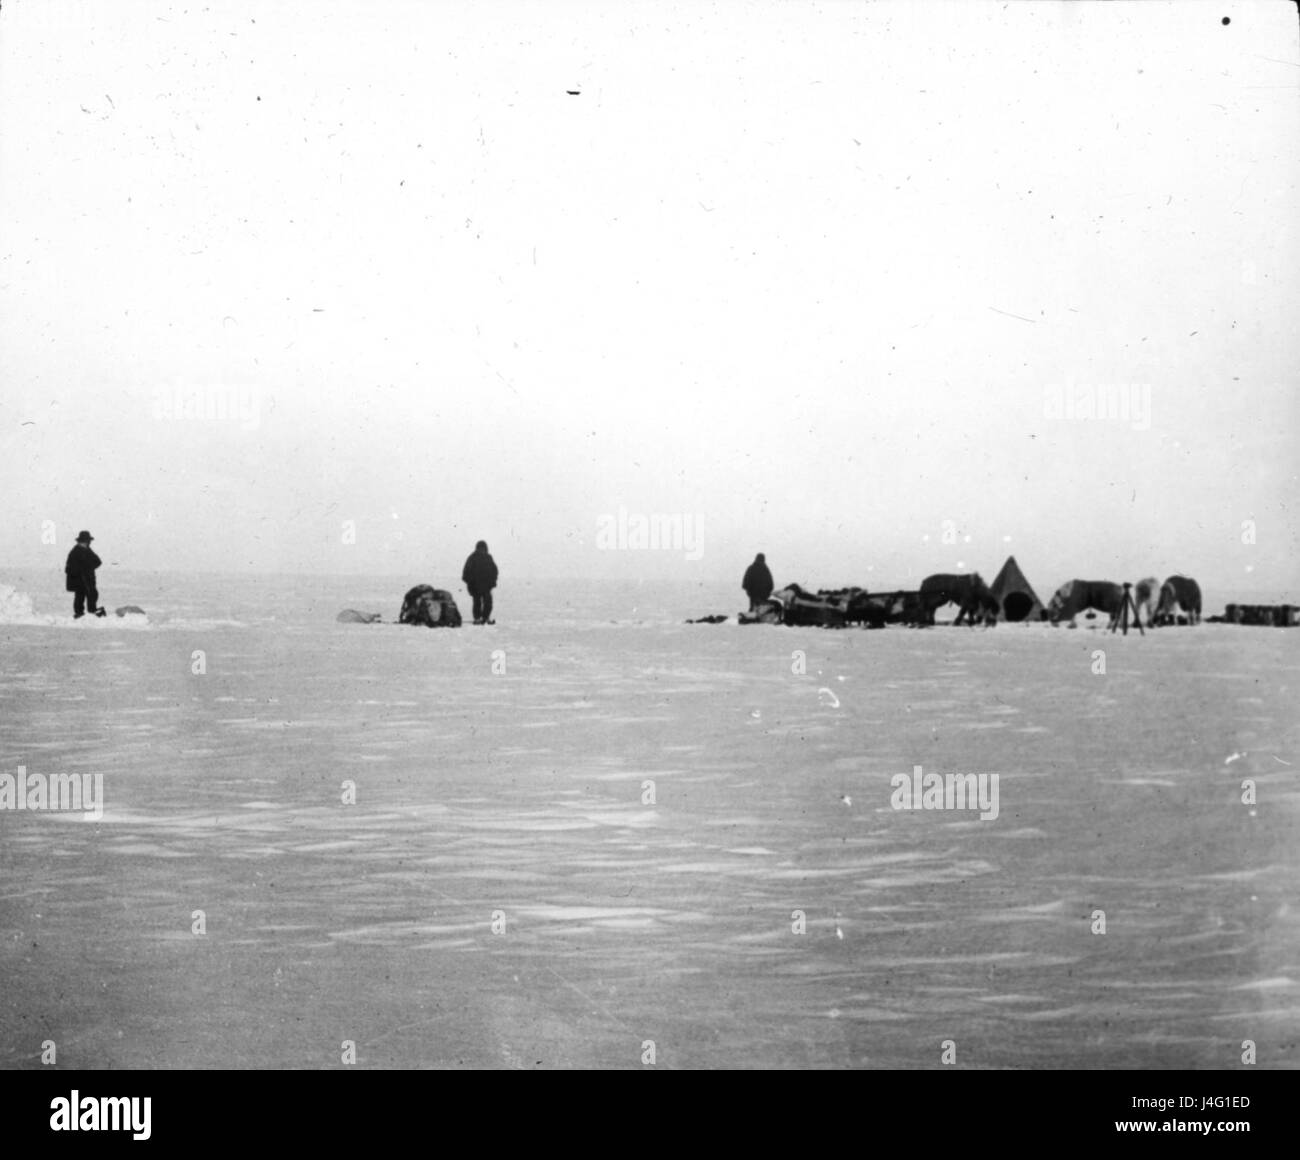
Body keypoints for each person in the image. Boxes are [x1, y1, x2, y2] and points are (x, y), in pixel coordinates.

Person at [66, 530, 106, 618]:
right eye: (86, 541)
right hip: (80, 581)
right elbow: (69, 569)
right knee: (80, 597)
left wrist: (88, 569)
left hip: (88, 579)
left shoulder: (88, 550)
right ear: (81, 541)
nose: (88, 543)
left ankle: (91, 612)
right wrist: (82, 571)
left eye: (88, 541)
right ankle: (80, 614)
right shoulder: (75, 552)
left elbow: (98, 561)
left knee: (92, 594)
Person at [461, 540, 499, 625]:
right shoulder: (472, 558)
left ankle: (485, 617)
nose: (482, 550)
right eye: (480, 548)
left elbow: (494, 571)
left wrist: (492, 582)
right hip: (475, 586)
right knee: (477, 602)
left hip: (486, 586)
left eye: (483, 548)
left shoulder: (488, 557)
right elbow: (466, 573)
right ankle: (477, 618)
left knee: (488, 602)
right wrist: (471, 583)